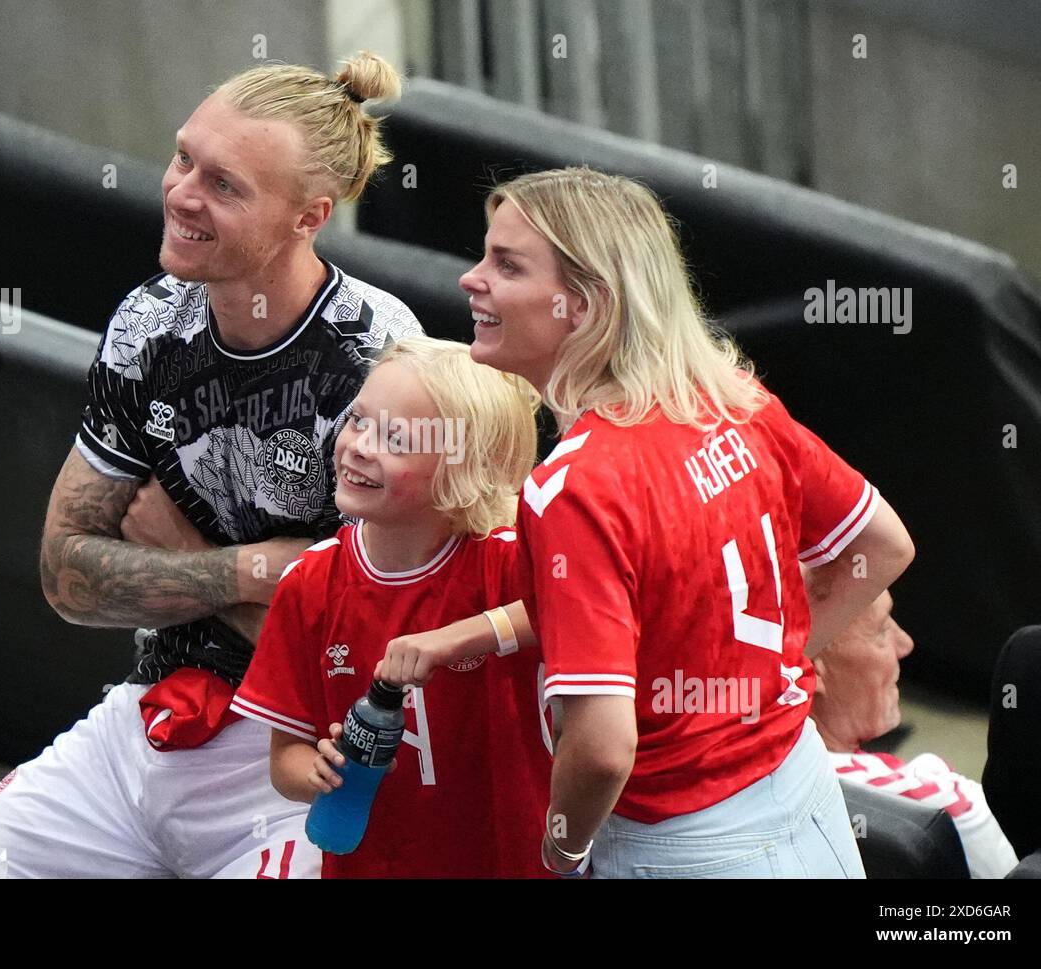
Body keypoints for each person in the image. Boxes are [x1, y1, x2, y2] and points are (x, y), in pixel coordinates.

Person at [0, 52, 422, 878]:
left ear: (308, 215)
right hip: (150, 723)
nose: (181, 193)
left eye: (225, 185)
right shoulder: (149, 321)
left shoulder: (380, 362)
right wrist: (254, 572)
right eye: (183, 157)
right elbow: (66, 573)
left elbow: (362, 671)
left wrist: (185, 557)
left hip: (301, 767)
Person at [377, 166, 915, 878]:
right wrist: (770, 673)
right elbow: (881, 544)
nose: (470, 280)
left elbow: (602, 747)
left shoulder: (575, 487)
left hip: (686, 845)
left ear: (588, 303)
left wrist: (563, 846)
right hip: (806, 800)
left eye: (506, 264)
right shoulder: (733, 400)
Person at [231, 336, 555, 877]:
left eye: (396, 440)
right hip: (373, 861)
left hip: (509, 854)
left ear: (463, 468)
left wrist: (459, 637)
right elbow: (284, 759)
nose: (359, 446)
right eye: (358, 421)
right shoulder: (310, 582)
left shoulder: (502, 562)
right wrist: (317, 770)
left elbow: (585, 604)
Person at [812, 591, 1018, 878]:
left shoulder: (740, 781)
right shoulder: (945, 804)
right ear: (808, 670)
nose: (905, 643)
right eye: (881, 629)